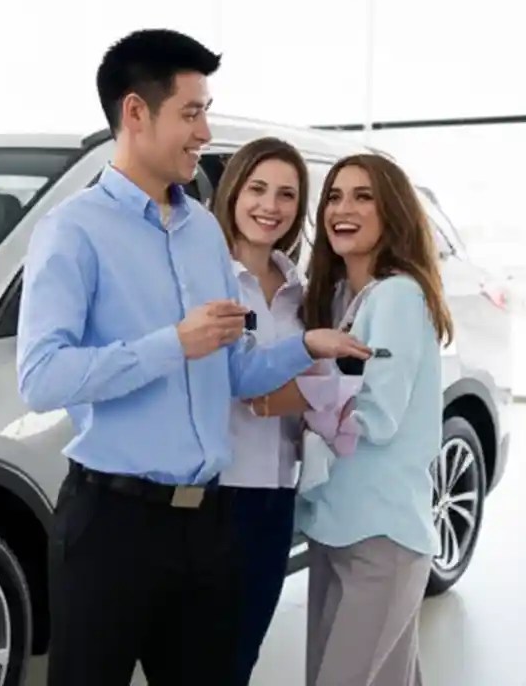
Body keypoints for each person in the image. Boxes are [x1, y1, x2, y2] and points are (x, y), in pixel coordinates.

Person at [15, 28, 372, 686]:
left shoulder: (205, 231)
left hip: (209, 526)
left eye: (205, 111)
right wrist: (171, 344)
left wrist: (302, 346)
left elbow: (232, 371)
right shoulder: (73, 231)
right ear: (135, 113)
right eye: (191, 112)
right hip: (110, 529)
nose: (205, 131)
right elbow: (41, 379)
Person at [295, 153, 454, 686]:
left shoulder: (400, 296)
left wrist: (284, 395)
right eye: (335, 196)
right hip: (335, 528)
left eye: (364, 196)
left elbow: (376, 418)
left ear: (393, 212)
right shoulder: (343, 296)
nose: (344, 208)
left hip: (380, 538)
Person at [207, 136, 311, 683]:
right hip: (214, 498)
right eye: (258, 189)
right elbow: (236, 386)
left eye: (287, 195)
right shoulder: (208, 278)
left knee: (242, 655)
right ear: (233, 191)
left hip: (276, 497)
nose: (271, 206)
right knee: (201, 660)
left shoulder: (303, 288)